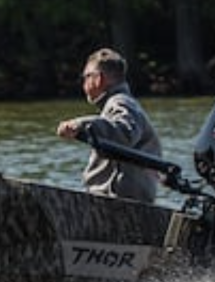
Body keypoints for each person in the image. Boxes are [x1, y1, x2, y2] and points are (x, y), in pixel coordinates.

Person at [55, 47, 163, 202]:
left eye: (86, 77)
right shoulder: (119, 103)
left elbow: (125, 133)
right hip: (120, 199)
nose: (84, 83)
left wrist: (79, 124)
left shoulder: (120, 102)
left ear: (98, 78)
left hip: (119, 201)